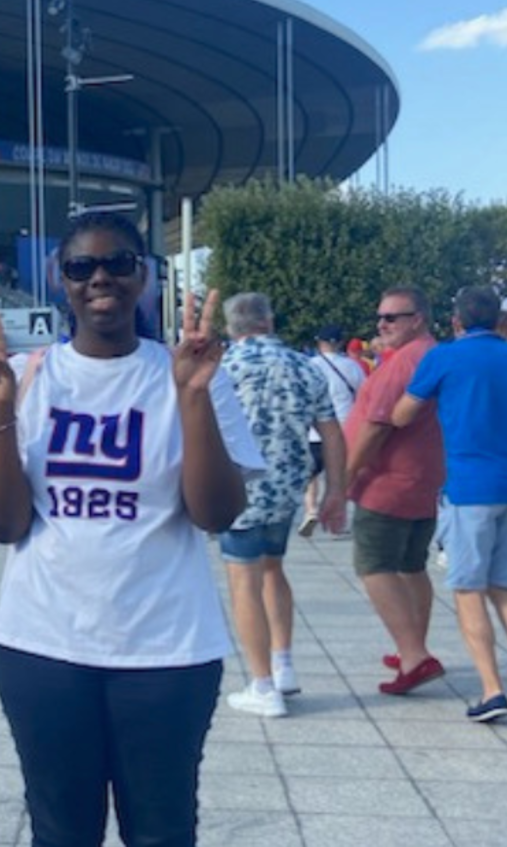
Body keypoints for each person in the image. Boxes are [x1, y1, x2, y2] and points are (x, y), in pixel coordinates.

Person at [0, 212, 260, 847]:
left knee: (162, 831)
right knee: (61, 831)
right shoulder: (25, 376)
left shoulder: (190, 372)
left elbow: (216, 514)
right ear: (61, 280)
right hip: (42, 644)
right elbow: (3, 522)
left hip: (165, 650)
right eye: (82, 267)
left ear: (144, 276)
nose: (100, 278)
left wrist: (192, 397)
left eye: (118, 263)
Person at [394, 285, 507, 722]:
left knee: (469, 588)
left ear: (456, 321)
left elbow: (402, 414)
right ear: (498, 320)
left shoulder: (444, 358)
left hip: (469, 488)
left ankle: (492, 690)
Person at [219, 292, 346, 717]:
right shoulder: (304, 367)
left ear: (231, 327)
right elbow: (330, 433)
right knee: (273, 569)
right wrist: (335, 490)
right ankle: (283, 662)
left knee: (243, 581)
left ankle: (262, 685)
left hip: (240, 487)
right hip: (289, 485)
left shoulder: (225, 368)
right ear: (269, 321)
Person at [345, 285, 446, 696]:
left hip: (387, 482)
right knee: (411, 566)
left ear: (417, 318)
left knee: (374, 566)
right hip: (422, 479)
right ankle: (413, 646)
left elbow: (377, 426)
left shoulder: (406, 361)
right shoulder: (432, 354)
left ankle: (414, 656)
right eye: (380, 317)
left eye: (392, 317)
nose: (381, 325)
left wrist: (345, 478)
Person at [300, 324, 365, 536]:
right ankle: (338, 520)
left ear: (319, 342)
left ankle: (311, 510)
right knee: (339, 476)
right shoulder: (352, 366)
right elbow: (363, 395)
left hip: (314, 430)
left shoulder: (308, 365)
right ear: (339, 342)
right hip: (345, 428)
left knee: (311, 476)